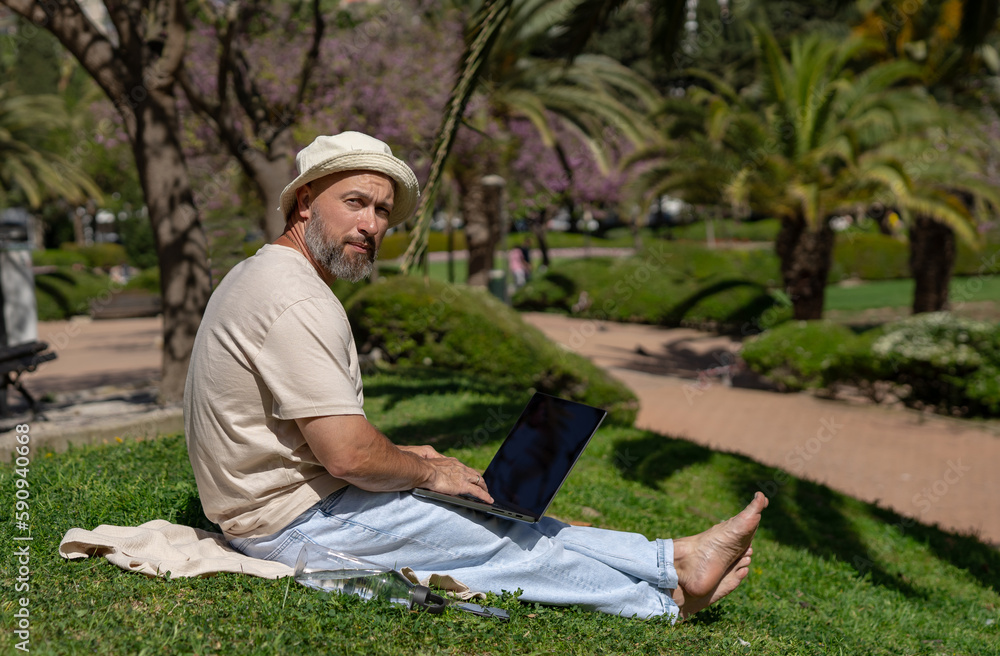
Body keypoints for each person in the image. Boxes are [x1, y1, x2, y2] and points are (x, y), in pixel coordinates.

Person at [184, 131, 768, 621]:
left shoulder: (262, 273)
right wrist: (427, 473)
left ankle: (673, 559)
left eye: (382, 211)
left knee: (496, 509)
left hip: (293, 499)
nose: (371, 224)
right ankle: (664, 604)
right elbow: (347, 457)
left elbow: (317, 441)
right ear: (306, 201)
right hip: (291, 521)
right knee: (495, 539)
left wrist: (414, 461)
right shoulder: (298, 300)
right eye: (355, 202)